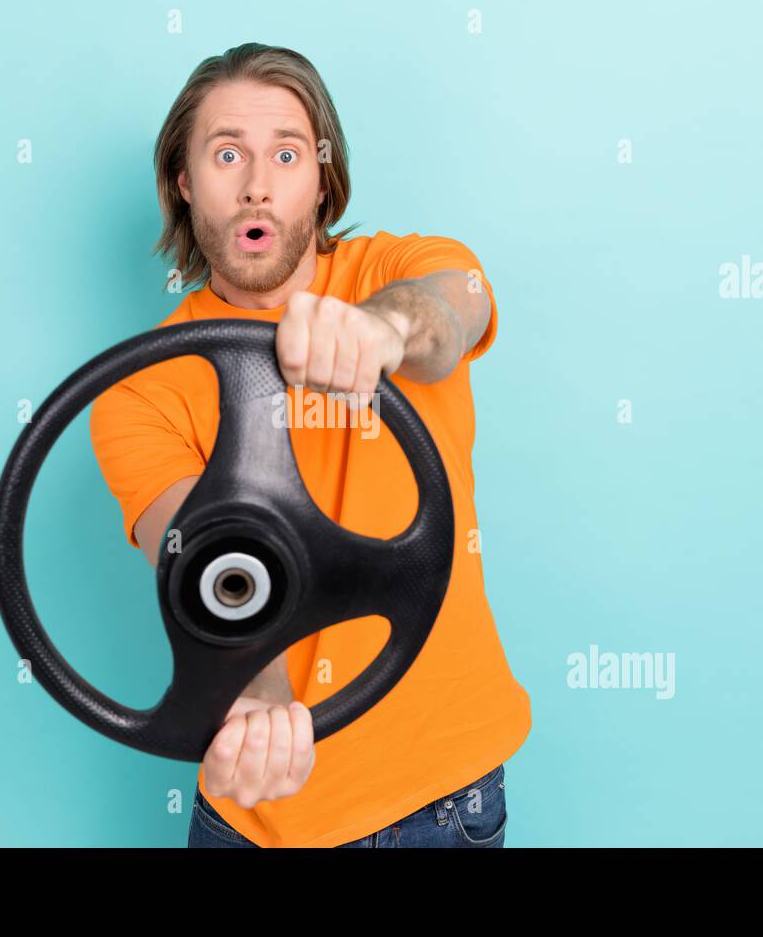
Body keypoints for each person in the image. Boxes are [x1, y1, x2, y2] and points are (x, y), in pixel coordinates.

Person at [90, 43, 530, 848]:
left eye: (287, 154)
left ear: (321, 181)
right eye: (227, 155)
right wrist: (255, 697)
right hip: (259, 822)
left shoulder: (408, 266)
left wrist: (384, 327)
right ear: (185, 184)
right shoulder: (138, 389)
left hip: (444, 801)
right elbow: (207, 568)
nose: (257, 183)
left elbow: (449, 311)